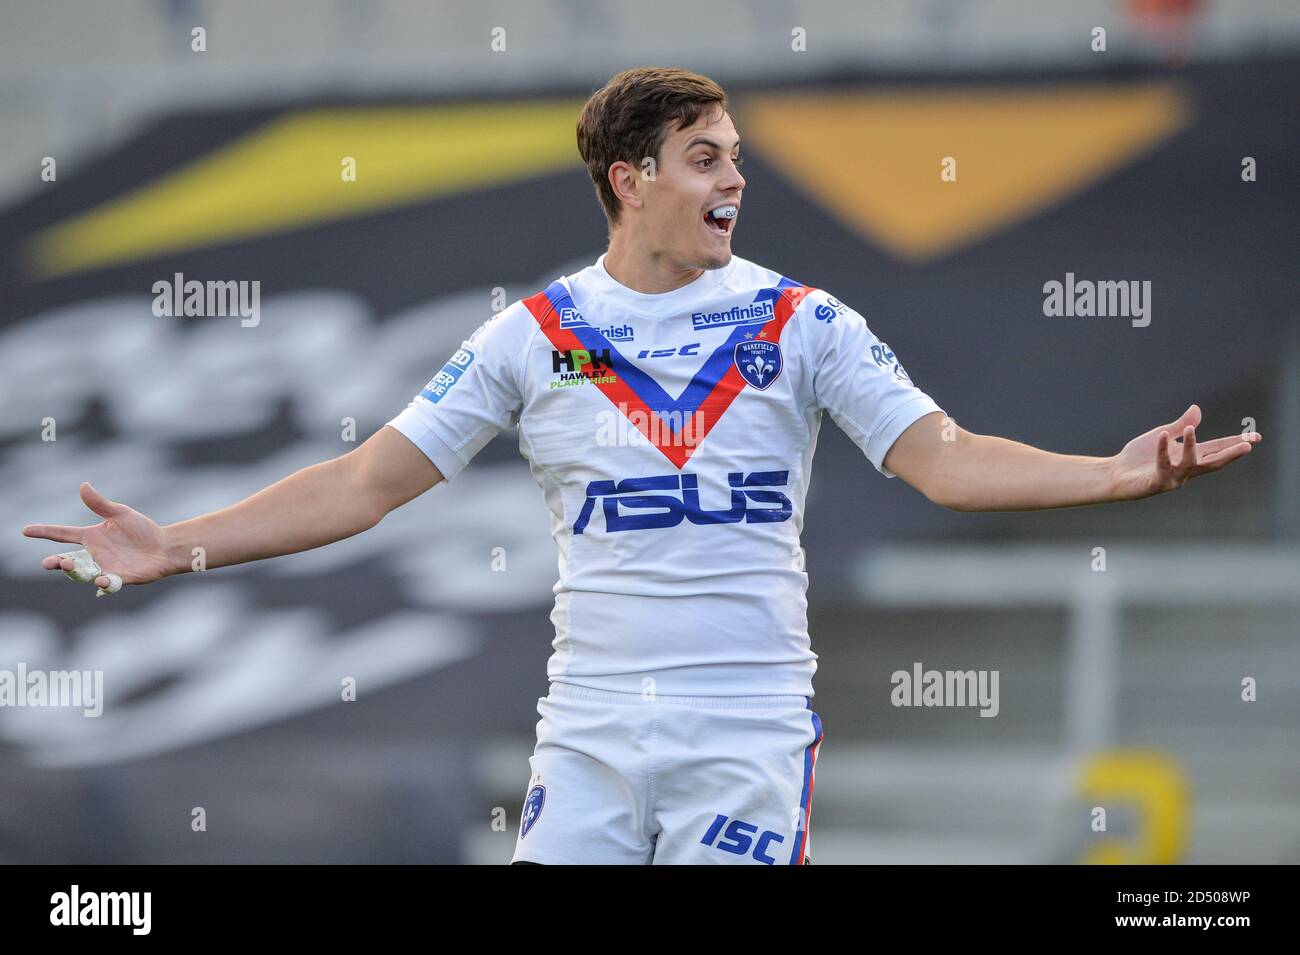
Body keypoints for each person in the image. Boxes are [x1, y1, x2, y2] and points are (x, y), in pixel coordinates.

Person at [22, 67, 1262, 865]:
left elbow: (944, 460)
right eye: (707, 157)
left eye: (733, 153)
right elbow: (363, 484)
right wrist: (174, 542)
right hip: (590, 738)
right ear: (632, 181)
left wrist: (1114, 474)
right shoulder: (532, 336)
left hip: (747, 730)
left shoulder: (802, 323)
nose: (735, 177)